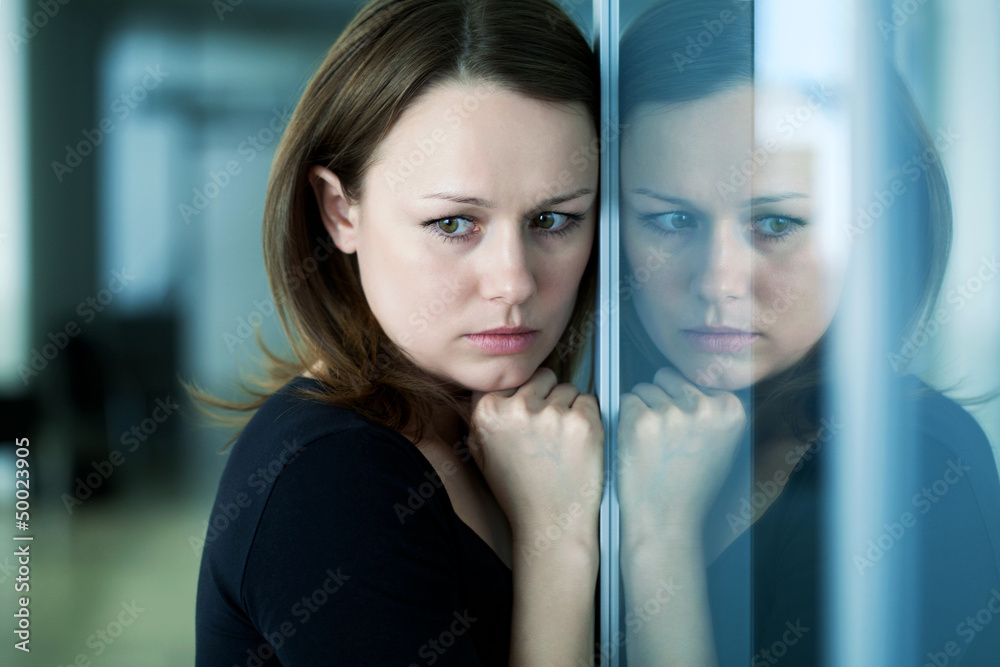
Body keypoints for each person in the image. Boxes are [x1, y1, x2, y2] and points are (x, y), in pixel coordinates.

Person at [192, 0, 605, 664]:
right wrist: (556, 543)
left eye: (553, 220)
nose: (514, 283)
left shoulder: (517, 435)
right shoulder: (331, 481)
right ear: (340, 211)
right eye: (453, 223)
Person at [615, 1, 1000, 664]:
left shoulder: (914, 464)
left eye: (776, 224)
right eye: (672, 221)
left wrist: (661, 538)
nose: (719, 281)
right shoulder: (599, 423)